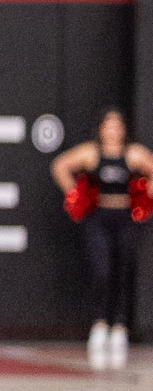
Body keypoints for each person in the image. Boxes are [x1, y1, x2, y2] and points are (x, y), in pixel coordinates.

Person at [52, 109, 153, 365]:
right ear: (101, 129)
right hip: (98, 216)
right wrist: (74, 194)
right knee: (101, 269)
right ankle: (99, 322)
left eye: (117, 126)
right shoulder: (91, 152)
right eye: (108, 126)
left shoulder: (133, 154)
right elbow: (60, 165)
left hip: (125, 217)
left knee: (123, 269)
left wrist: (146, 194)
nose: (112, 131)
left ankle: (119, 325)